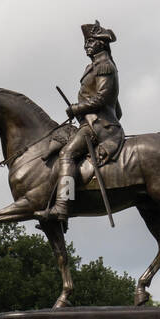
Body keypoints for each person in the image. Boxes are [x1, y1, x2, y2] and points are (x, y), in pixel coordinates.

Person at [36, 19, 124, 222]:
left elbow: (103, 98)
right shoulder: (92, 66)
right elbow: (117, 108)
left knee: (67, 154)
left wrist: (78, 108)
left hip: (99, 126)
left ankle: (62, 206)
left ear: (101, 43)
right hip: (91, 122)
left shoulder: (104, 66)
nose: (86, 46)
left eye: (90, 42)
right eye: (86, 43)